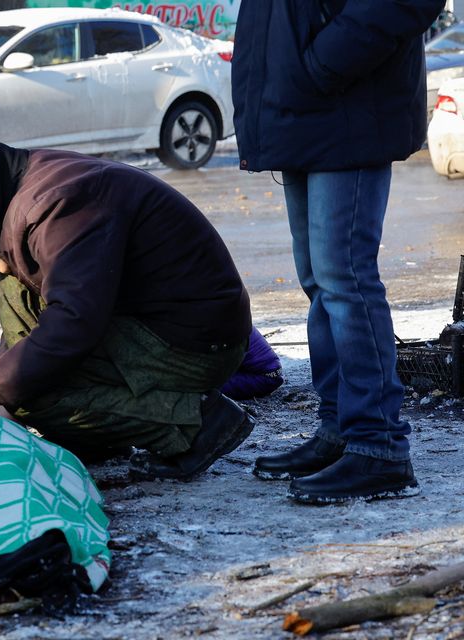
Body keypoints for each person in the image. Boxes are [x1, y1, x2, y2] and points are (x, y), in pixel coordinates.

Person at [0, 142, 254, 481]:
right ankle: (95, 437)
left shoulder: (56, 205)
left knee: (33, 396)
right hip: (166, 323)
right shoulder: (30, 195)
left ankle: (195, 424)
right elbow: (44, 324)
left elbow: (74, 321)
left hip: (196, 346)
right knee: (10, 293)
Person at [231, 0, 445, 503]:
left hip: (345, 106)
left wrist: (322, 65)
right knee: (320, 282)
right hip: (304, 111)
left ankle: (378, 446)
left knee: (345, 278)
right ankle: (341, 428)